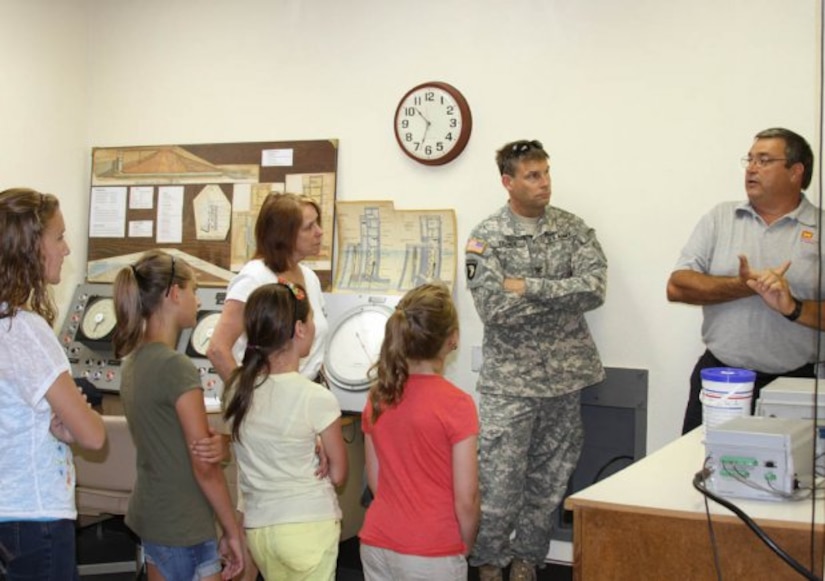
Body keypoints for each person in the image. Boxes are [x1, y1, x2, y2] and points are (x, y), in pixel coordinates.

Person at [465, 140, 607, 581]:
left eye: (546, 173)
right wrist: (562, 296)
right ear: (508, 182)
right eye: (532, 175)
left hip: (565, 380)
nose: (544, 182)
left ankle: (527, 561)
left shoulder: (572, 229)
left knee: (549, 484)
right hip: (510, 384)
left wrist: (528, 287)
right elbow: (494, 309)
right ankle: (489, 564)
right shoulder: (487, 238)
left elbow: (594, 290)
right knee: (498, 485)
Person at [667, 127, 824, 434]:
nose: (752, 168)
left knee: (793, 464)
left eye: (764, 160)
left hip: (798, 382)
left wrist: (792, 307)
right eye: (750, 159)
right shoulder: (721, 218)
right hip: (721, 377)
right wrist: (743, 286)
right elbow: (677, 286)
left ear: (796, 172)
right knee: (700, 460)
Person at [113, 250, 244, 580]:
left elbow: (173, 440)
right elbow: (204, 466)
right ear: (174, 293)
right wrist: (232, 531)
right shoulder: (176, 367)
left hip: (154, 517)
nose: (197, 300)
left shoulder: (133, 361)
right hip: (183, 524)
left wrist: (221, 443)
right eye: (194, 290)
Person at [0, 187, 106, 580]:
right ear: (29, 248)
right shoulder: (24, 330)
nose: (66, 249)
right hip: (34, 517)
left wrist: (51, 421)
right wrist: (74, 420)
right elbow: (93, 435)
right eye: (58, 237)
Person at [223, 281, 347, 580]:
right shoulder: (316, 397)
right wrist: (318, 446)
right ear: (299, 329)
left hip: (260, 531)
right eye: (311, 320)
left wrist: (312, 441)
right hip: (308, 528)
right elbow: (339, 473)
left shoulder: (237, 390)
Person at [359, 283, 480, 581]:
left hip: (377, 541)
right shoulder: (458, 404)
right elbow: (466, 498)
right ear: (452, 339)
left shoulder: (378, 397)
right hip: (432, 550)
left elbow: (376, 482)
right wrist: (465, 545)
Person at [207, 192, 328, 384]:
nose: (319, 232)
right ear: (284, 236)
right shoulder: (254, 278)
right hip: (265, 393)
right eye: (309, 227)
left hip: (305, 390)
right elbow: (217, 349)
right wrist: (246, 397)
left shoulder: (310, 278)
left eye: (317, 223)